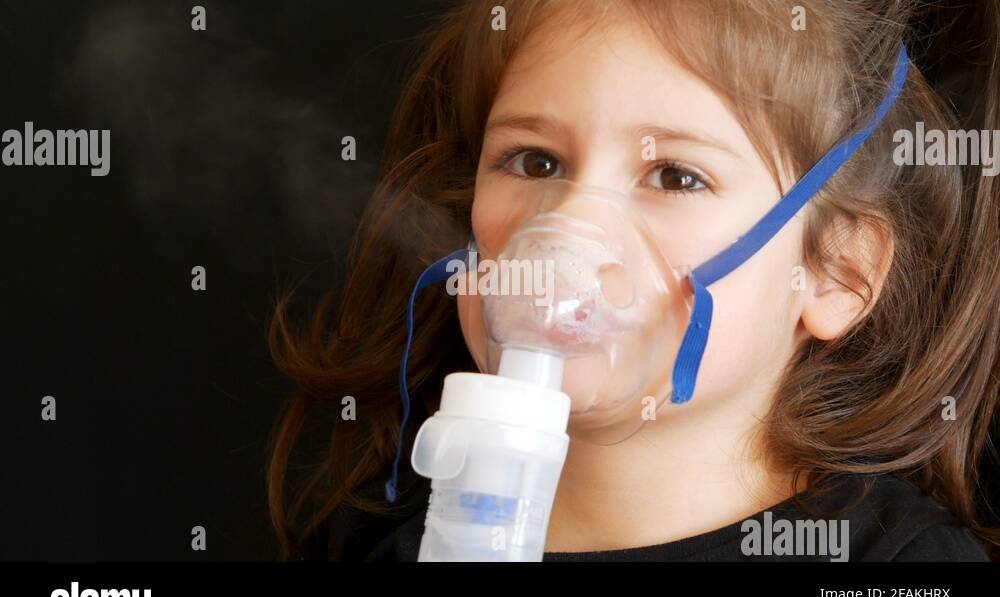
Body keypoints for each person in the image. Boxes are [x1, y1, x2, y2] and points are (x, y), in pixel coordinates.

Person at [267, 0, 1000, 561]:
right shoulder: (369, 543)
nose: (567, 228)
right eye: (534, 162)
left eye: (675, 176)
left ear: (837, 272)